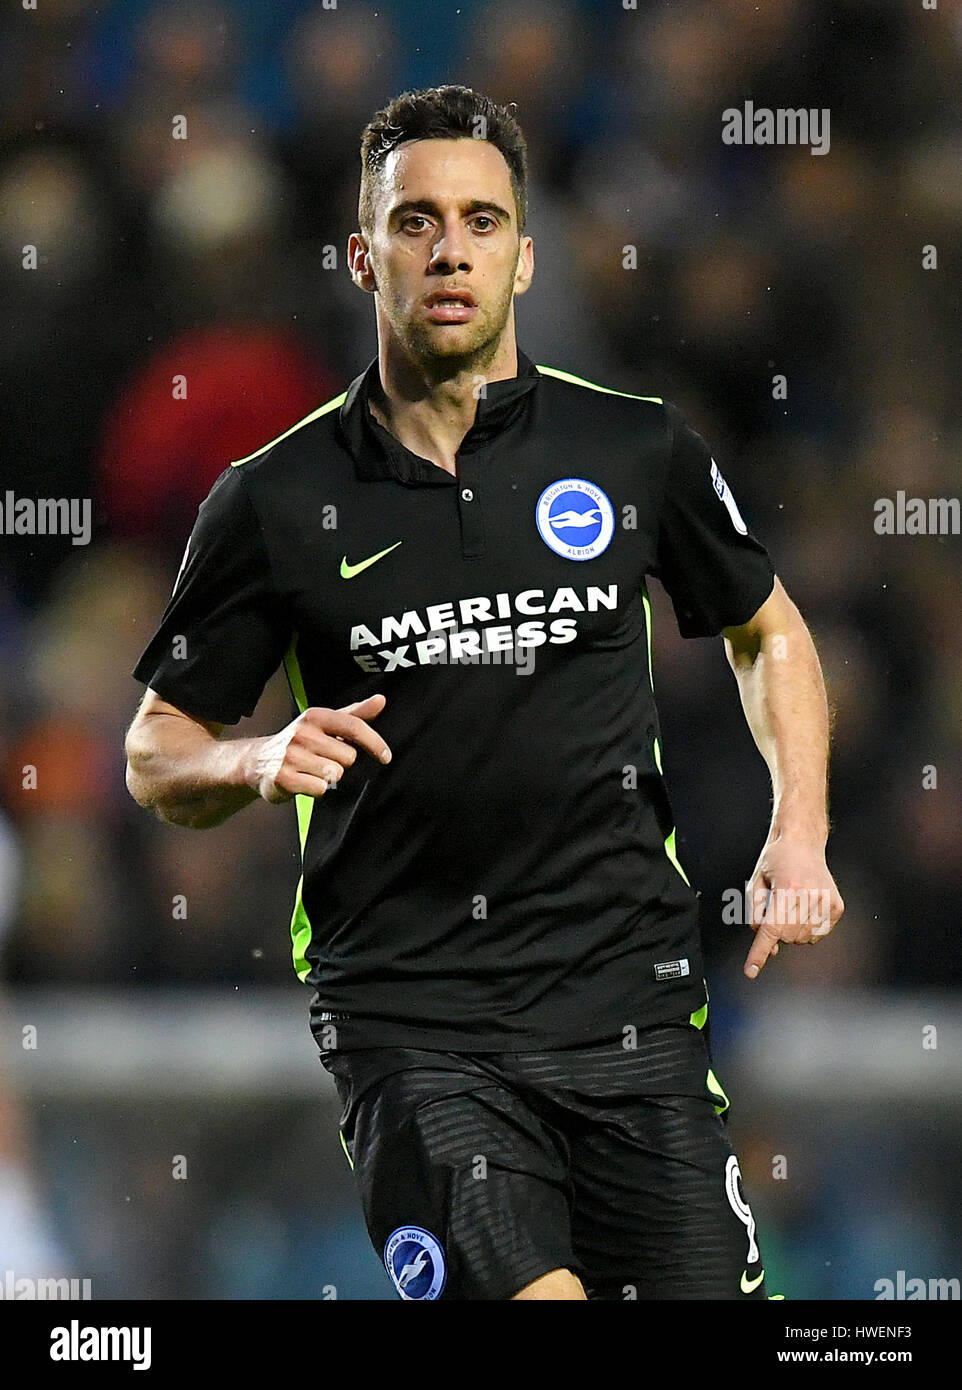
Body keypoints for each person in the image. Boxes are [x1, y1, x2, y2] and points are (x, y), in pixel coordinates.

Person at [125, 85, 844, 1302]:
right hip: (415, 1026)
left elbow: (765, 633)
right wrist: (252, 760)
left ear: (522, 255)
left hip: (630, 1014)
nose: (448, 248)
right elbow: (155, 749)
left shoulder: (633, 450)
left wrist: (799, 829)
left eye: (479, 221)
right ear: (363, 257)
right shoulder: (273, 497)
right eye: (414, 223)